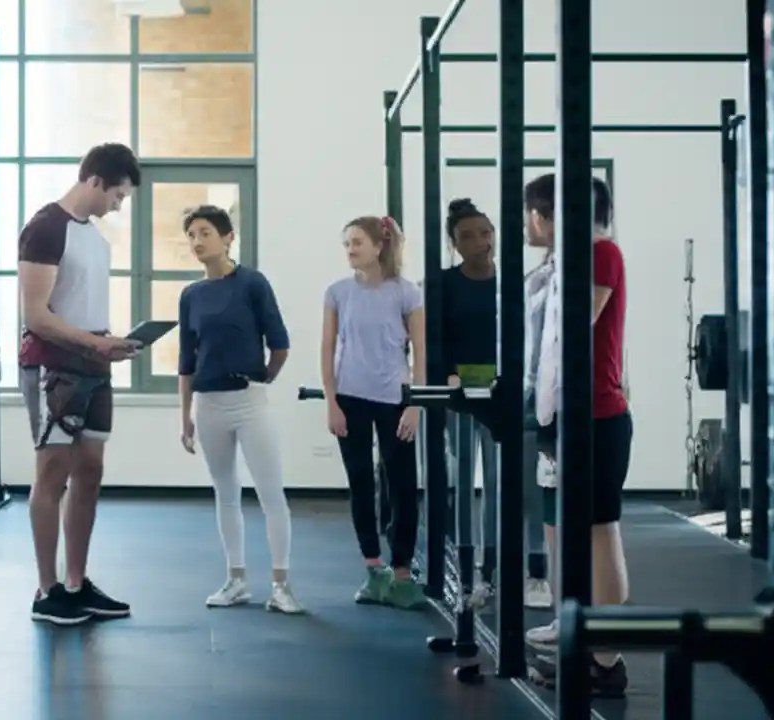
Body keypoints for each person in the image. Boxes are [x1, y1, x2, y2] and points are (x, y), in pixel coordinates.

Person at [17, 142, 142, 626]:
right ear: (94, 181)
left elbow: (81, 306)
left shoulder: (95, 239)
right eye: (118, 196)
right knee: (53, 475)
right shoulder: (46, 228)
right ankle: (47, 591)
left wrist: (108, 343)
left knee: (90, 470)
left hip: (94, 363)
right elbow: (35, 316)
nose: (117, 206)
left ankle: (76, 582)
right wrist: (92, 345)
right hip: (54, 366)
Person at [523, 174, 631, 696]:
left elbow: (572, 325)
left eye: (533, 213)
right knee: (567, 531)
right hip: (562, 415)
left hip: (598, 416)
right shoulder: (556, 268)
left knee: (599, 534)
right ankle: (578, 640)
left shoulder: (602, 254)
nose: (529, 224)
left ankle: (606, 661)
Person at [176, 205, 303, 615]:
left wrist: (262, 378)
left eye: (206, 232)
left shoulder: (252, 283)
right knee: (225, 492)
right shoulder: (191, 296)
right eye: (192, 234)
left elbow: (279, 344)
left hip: (249, 401)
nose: (197, 241)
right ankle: (237, 579)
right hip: (208, 403)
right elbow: (186, 362)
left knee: (270, 492)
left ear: (228, 237)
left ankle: (281, 585)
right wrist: (185, 416)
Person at [442, 198, 552, 609]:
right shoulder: (443, 285)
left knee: (509, 484)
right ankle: (477, 576)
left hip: (504, 396)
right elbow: (433, 342)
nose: (480, 242)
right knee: (465, 483)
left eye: (485, 233)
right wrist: (450, 377)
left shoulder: (515, 285)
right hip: (459, 396)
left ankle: (533, 572)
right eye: (468, 236)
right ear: (455, 243)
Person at [320, 215, 428, 611]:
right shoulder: (337, 292)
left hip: (394, 398)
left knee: (401, 485)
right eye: (346, 243)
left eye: (357, 243)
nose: (350, 250)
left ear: (378, 246)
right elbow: (327, 349)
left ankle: (401, 570)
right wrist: (331, 403)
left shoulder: (406, 293)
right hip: (351, 399)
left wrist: (415, 405)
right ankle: (373, 567)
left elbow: (421, 352)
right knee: (361, 482)